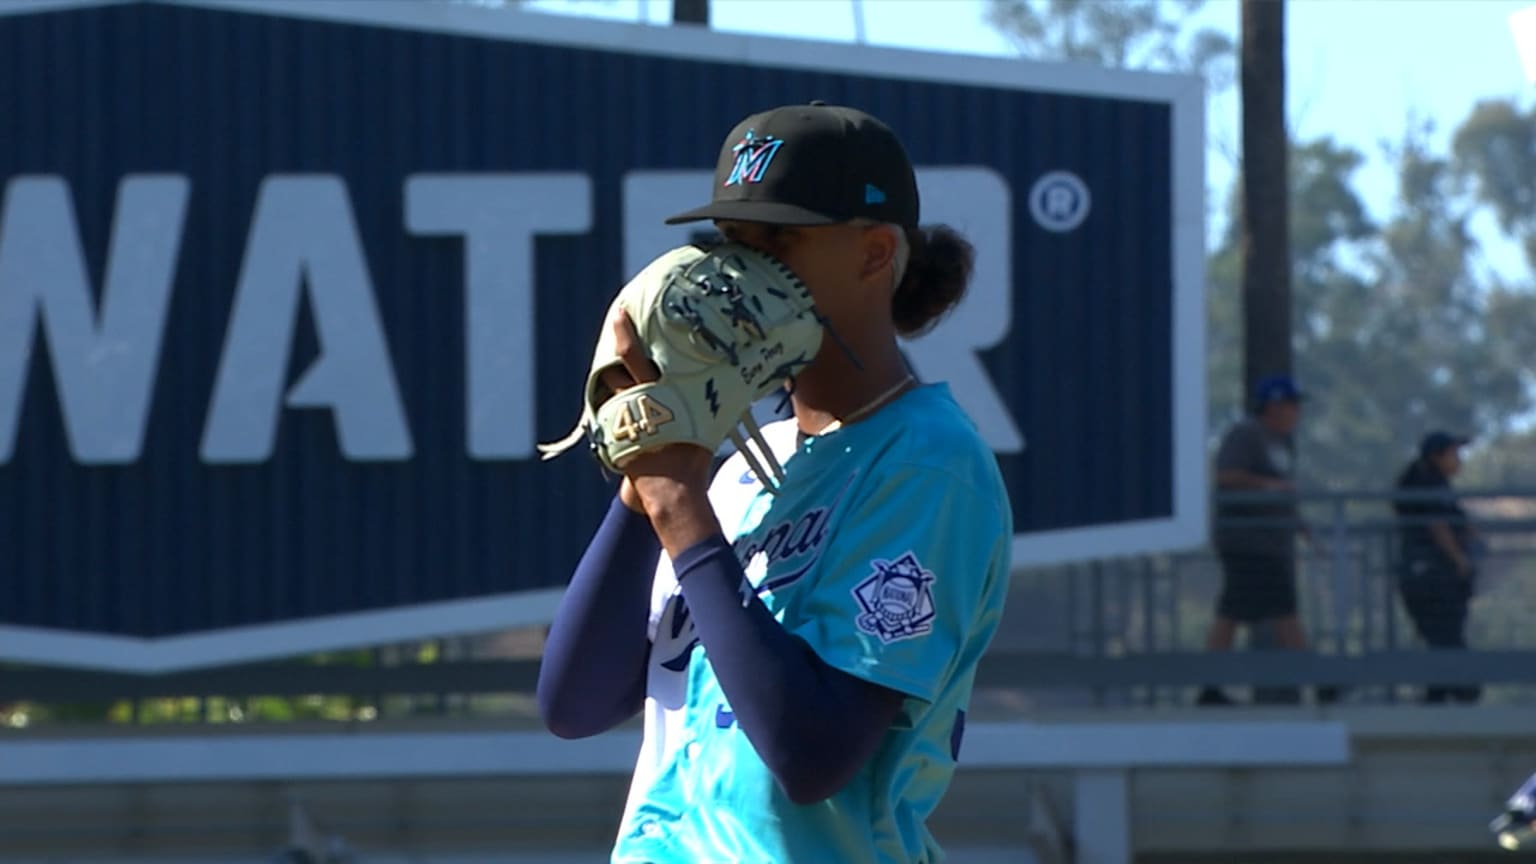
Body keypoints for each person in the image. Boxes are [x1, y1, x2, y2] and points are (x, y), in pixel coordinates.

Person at [536, 101, 1014, 864]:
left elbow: (812, 754)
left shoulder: (929, 464)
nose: (735, 272)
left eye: (778, 240)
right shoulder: (734, 469)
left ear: (874, 253)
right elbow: (573, 704)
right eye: (732, 241)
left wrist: (680, 507)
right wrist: (646, 474)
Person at [1197, 374, 1325, 706]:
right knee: (1273, 613)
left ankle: (1212, 687)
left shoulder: (1278, 444)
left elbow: (1283, 493)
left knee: (1248, 611)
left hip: (1268, 543)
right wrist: (1267, 486)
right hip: (1246, 541)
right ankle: (1317, 682)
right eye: (1291, 405)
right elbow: (1226, 475)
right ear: (1274, 406)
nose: (1296, 412)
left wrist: (1302, 527)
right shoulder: (1246, 434)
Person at [1393, 430, 1481, 704]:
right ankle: (1460, 691)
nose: (1459, 460)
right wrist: (1460, 559)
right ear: (1436, 456)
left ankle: (1441, 693)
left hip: (1438, 576)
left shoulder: (1440, 485)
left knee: (1444, 636)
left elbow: (1457, 522)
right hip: (1428, 576)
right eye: (1453, 453)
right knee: (1444, 636)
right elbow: (1436, 525)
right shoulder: (1424, 482)